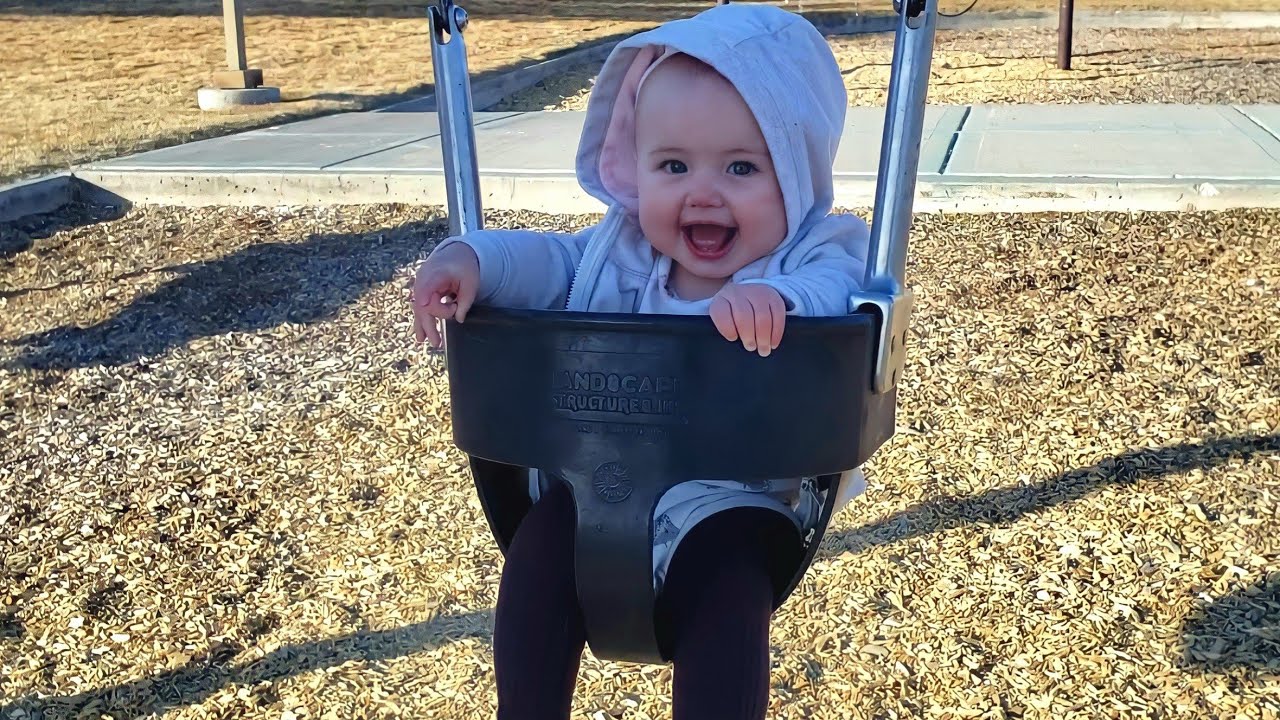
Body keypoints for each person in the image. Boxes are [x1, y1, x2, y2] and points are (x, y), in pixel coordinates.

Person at [410, 4, 870, 717]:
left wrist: (780, 298)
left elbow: (843, 289)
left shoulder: (810, 252)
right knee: (536, 561)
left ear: (798, 172)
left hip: (735, 501)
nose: (702, 192)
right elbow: (548, 261)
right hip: (597, 487)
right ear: (638, 169)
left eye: (742, 166)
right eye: (674, 165)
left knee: (730, 599)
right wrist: (473, 260)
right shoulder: (620, 251)